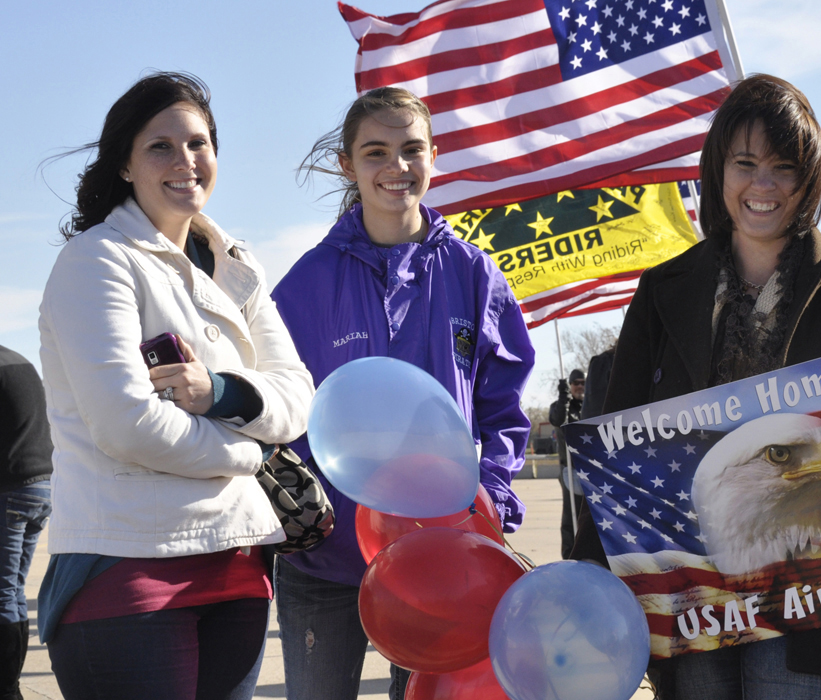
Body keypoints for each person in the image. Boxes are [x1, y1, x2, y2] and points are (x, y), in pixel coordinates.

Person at [570, 74, 821, 700]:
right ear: (718, 170)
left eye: (784, 168)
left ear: (810, 178)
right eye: (745, 164)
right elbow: (617, 452)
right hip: (688, 599)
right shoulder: (662, 291)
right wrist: (590, 572)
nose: (763, 185)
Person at [37, 72, 314, 700]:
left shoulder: (237, 262)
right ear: (125, 166)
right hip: (128, 568)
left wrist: (221, 393)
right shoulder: (96, 259)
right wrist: (253, 452)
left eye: (198, 143)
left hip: (240, 564)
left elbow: (297, 397)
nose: (185, 161)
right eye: (160, 146)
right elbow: (129, 425)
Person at [270, 87, 535, 700]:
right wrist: (305, 508)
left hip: (444, 558)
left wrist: (492, 497)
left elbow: (505, 407)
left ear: (434, 157)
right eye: (376, 152)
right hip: (325, 561)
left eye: (412, 149)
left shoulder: (473, 273)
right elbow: (278, 408)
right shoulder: (305, 284)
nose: (397, 167)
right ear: (347, 164)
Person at [0, 345, 53, 700]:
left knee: (3, 592)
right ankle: (11, 685)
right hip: (42, 486)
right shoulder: (17, 360)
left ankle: (6, 688)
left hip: (11, 488)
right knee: (13, 590)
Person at [549, 369, 585, 559]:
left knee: (590, 518)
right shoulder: (561, 407)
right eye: (575, 383)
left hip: (591, 469)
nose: (580, 386)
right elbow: (557, 420)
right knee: (571, 516)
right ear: (570, 385)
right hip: (570, 470)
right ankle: (569, 556)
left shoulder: (591, 405)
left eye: (583, 382)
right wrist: (563, 397)